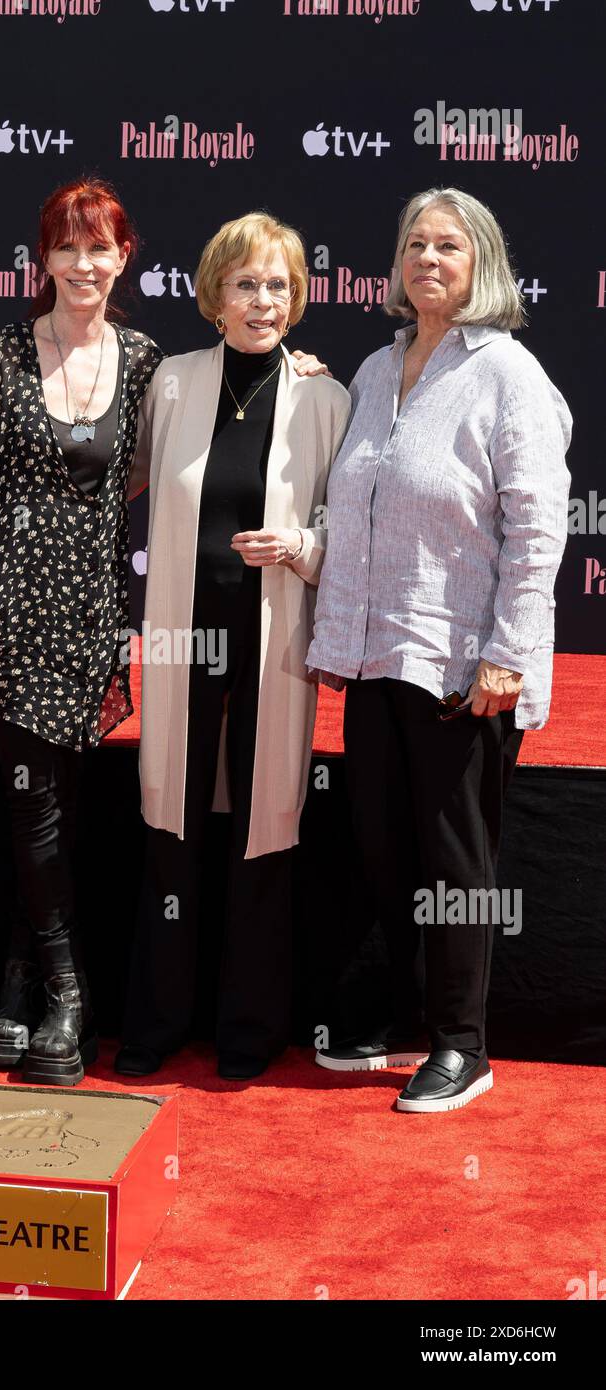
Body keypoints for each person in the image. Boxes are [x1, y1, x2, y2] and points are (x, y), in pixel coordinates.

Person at [0, 181, 324, 1086]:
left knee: (65, 795)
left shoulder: (160, 363)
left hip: (103, 614)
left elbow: (180, 452)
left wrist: (302, 382)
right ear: (44, 261)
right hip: (19, 611)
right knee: (40, 800)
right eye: (68, 248)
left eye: (98, 248)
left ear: (125, 257)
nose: (84, 264)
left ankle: (26, 985)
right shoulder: (28, 360)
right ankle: (71, 992)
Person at [308, 187, 572, 1113]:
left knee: (458, 864)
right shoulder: (379, 371)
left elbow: (539, 530)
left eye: (448, 246)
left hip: (465, 667)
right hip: (379, 658)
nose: (428, 259)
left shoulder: (509, 374)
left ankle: (465, 1044)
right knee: (384, 848)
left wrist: (509, 653)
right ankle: (399, 1014)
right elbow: (358, 509)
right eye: (414, 243)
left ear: (481, 264)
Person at [115, 212, 351, 1081]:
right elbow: (119, 479)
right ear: (215, 295)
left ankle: (250, 1033)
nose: (264, 300)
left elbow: (346, 530)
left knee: (262, 833)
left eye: (281, 286)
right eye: (248, 284)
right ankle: (155, 1025)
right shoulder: (172, 383)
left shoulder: (326, 399)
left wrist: (301, 548)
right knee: (170, 825)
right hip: (181, 641)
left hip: (275, 644)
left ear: (297, 300)